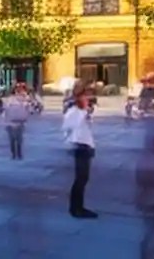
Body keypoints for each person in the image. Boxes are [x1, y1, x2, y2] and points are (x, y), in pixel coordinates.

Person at [62, 82, 97, 219]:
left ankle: (78, 207)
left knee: (83, 179)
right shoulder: (74, 112)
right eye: (86, 97)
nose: (88, 100)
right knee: (80, 179)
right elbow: (68, 128)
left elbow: (86, 128)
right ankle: (76, 209)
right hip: (79, 146)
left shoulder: (82, 111)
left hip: (85, 146)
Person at [4, 82, 32, 160]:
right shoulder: (25, 99)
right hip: (19, 122)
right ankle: (19, 154)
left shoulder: (10, 99)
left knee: (13, 140)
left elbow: (5, 110)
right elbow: (30, 110)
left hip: (10, 122)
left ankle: (14, 154)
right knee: (18, 139)